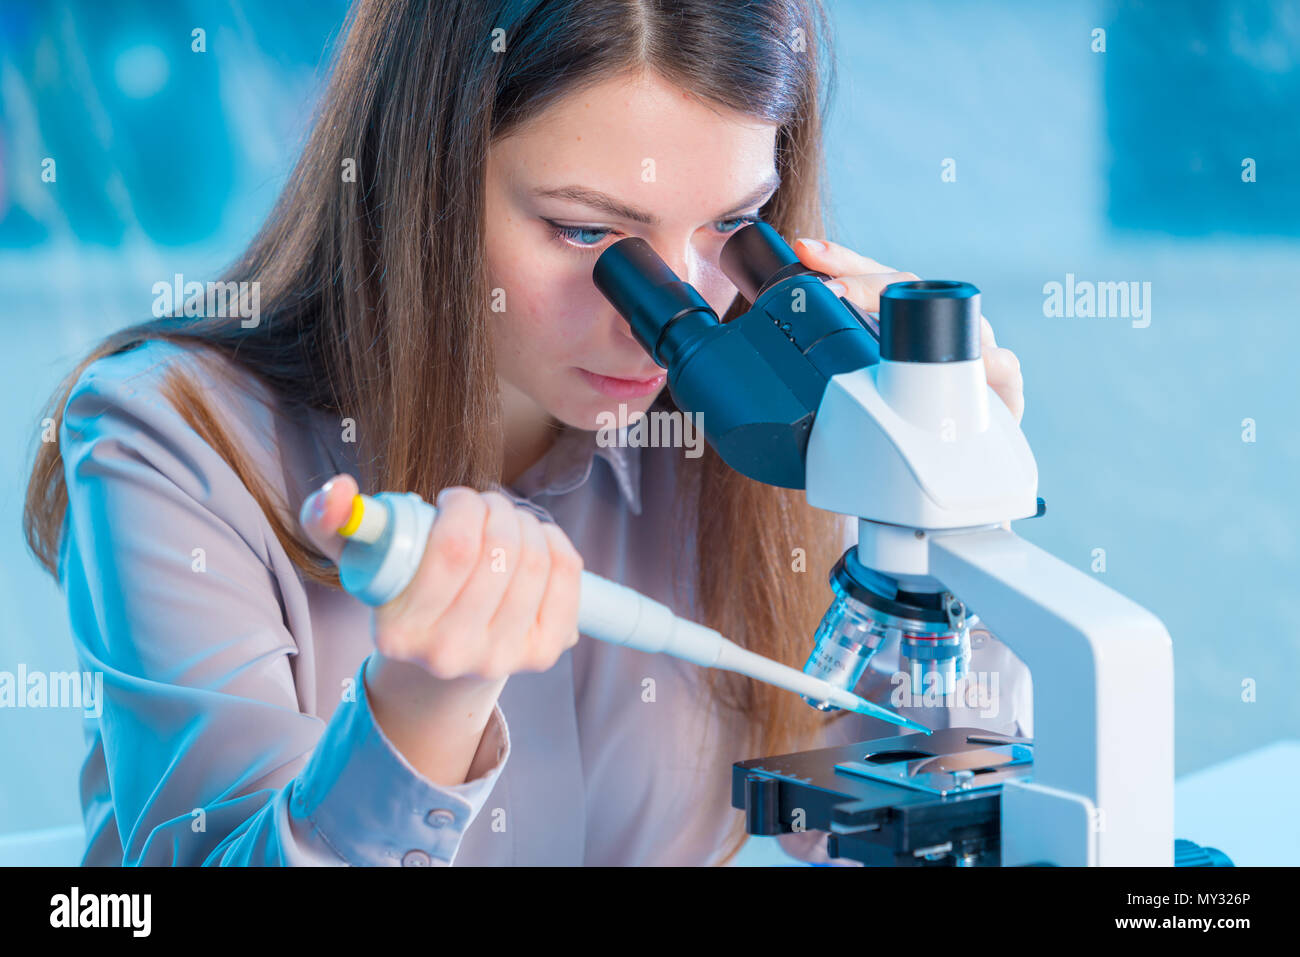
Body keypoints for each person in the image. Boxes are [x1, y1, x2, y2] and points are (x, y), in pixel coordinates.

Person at [23, 0, 1028, 866]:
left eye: (733, 226)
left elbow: (922, 823)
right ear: (419, 186)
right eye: (589, 233)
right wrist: (416, 718)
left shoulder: (755, 427)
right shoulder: (173, 438)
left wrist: (948, 521)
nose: (673, 315)